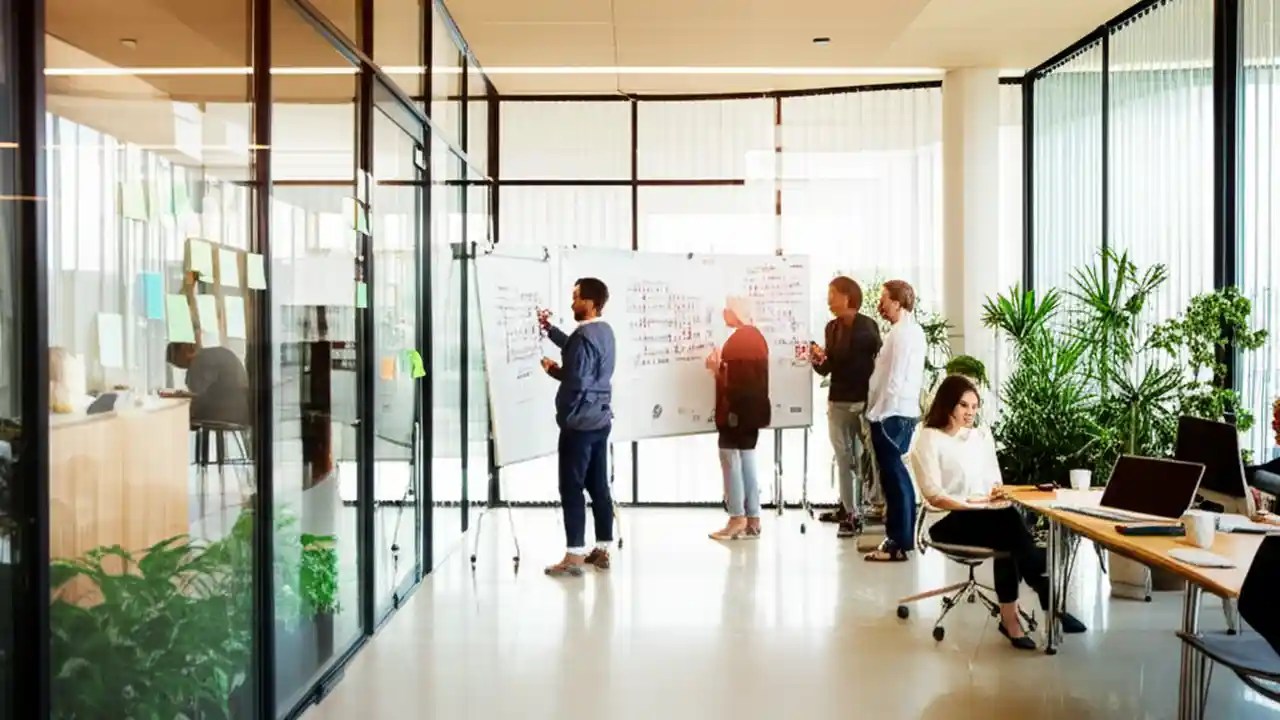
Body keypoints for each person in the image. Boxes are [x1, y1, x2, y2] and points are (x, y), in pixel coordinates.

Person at [912, 375, 1087, 649]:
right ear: (948, 405)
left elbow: (994, 483)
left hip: (985, 515)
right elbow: (934, 495)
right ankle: (1050, 604)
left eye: (974, 406)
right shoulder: (929, 439)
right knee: (1009, 526)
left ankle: (1012, 620)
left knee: (1008, 529)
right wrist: (971, 507)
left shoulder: (980, 437)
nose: (970, 412)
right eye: (963, 405)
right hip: (945, 519)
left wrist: (995, 496)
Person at [539, 278, 617, 577]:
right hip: (600, 420)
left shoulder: (584, 338)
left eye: (576, 298)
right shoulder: (603, 332)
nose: (572, 303)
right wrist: (548, 329)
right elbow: (574, 347)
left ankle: (573, 556)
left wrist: (552, 370)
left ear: (591, 302)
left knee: (571, 487)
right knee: (598, 485)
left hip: (580, 425)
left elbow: (578, 378)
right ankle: (603, 548)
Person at [810, 276, 883, 539]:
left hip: (862, 403)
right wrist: (817, 359)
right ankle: (849, 512)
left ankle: (858, 509)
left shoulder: (868, 328)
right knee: (843, 458)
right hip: (838, 400)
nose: (828, 300)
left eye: (833, 294)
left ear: (847, 297)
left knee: (860, 458)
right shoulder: (831, 328)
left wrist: (832, 358)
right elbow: (828, 367)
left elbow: (873, 362)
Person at [863, 280, 926, 562]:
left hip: (892, 413)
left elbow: (895, 378)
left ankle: (897, 543)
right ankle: (902, 538)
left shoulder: (901, 334)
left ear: (897, 303)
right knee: (898, 477)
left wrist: (879, 412)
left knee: (893, 478)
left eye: (885, 299)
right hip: (902, 411)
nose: (881, 305)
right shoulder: (914, 332)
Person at [706, 296, 770, 541]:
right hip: (753, 411)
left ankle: (736, 518)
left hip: (736, 411)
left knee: (730, 458)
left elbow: (733, 383)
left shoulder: (739, 341)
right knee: (747, 458)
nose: (723, 312)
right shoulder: (756, 337)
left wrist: (715, 369)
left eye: (727, 308)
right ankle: (752, 518)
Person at [164, 343, 250, 425]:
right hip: (240, 407)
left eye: (175, 360)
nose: (177, 365)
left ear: (182, 350)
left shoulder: (199, 362)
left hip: (229, 410)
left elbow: (199, 396)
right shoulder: (213, 354)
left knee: (178, 414)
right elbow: (211, 392)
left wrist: (182, 398)